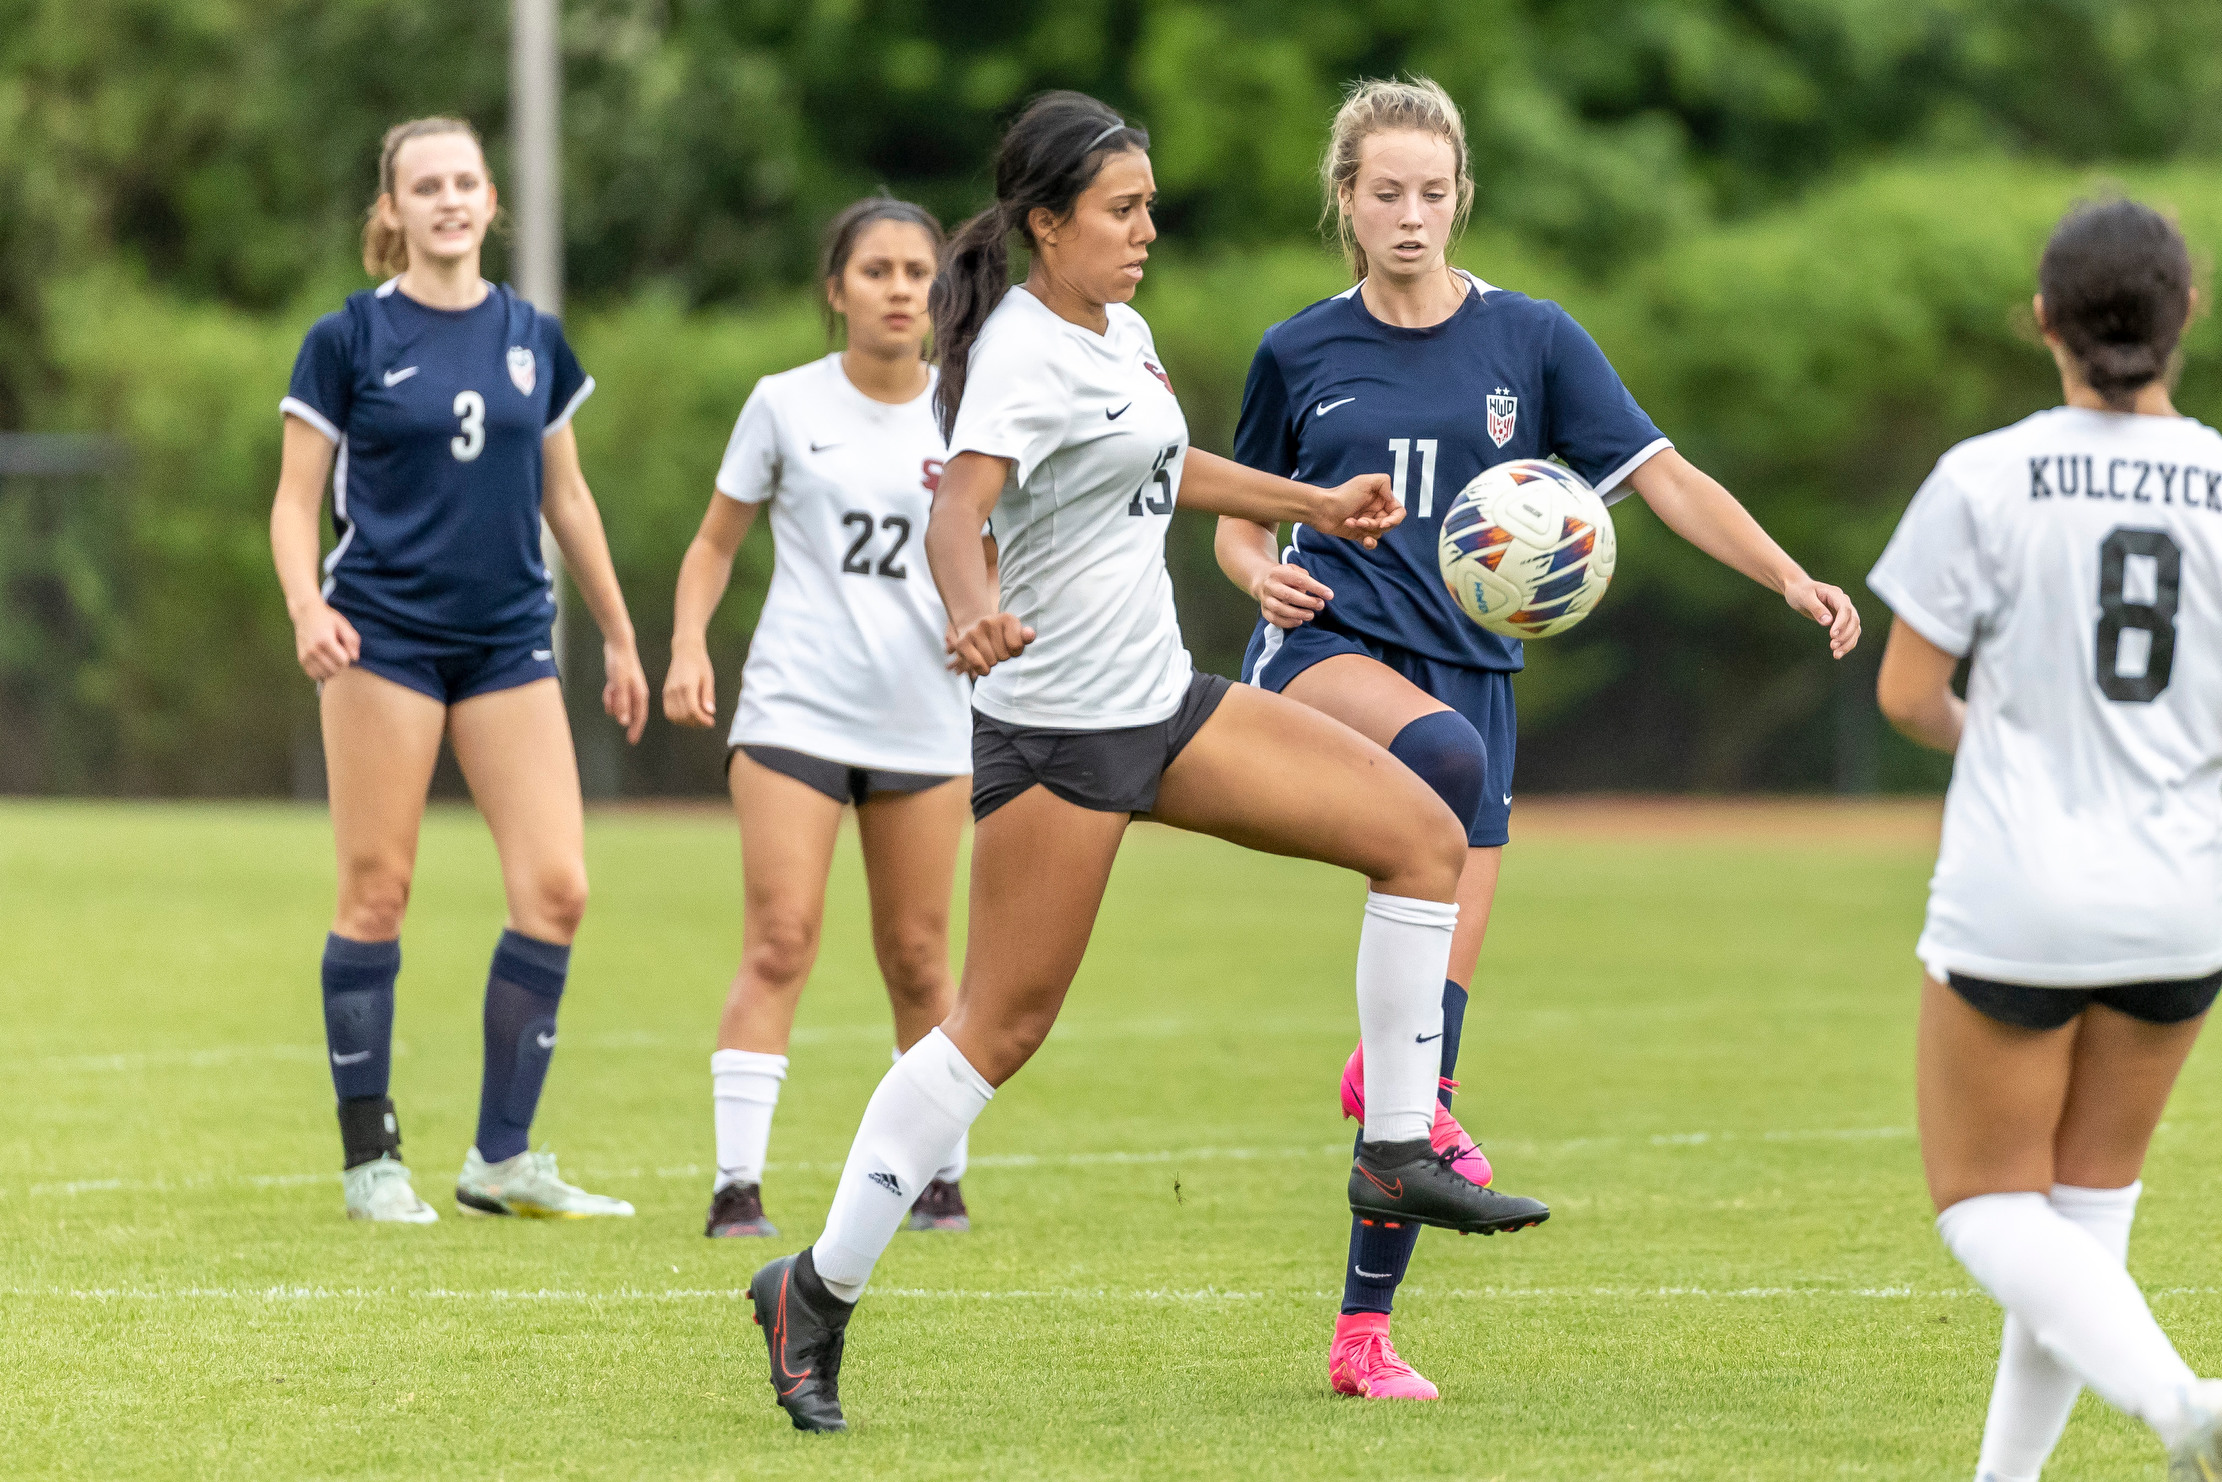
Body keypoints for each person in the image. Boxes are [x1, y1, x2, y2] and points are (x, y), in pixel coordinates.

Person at [742, 89, 1549, 1434]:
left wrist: (1314, 505)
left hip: (1163, 703)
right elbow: (957, 512)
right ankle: (812, 1291)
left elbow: (1163, 472)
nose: (1147, 230)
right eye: (1121, 210)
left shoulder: (1116, 330)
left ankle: (1398, 1146)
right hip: (1061, 731)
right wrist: (965, 609)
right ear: (1046, 223)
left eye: (1148, 205)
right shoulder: (1009, 354)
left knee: (1421, 831)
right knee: (997, 1027)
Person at [1214, 76, 1862, 1400]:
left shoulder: (1532, 340)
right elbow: (1231, 509)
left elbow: (1662, 476)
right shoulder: (1297, 350)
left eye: (1432, 192)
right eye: (1383, 191)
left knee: (1424, 1073)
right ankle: (1373, 1070)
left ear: (1462, 196)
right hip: (1328, 658)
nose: (1409, 215)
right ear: (1344, 197)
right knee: (1437, 771)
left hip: (1471, 685)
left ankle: (1360, 1338)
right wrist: (1253, 573)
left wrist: (1786, 575)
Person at [1870, 197, 2222, 1480]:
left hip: (2020, 889)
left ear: (2043, 321)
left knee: (1981, 1207)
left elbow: (1908, 696)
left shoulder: (1985, 473)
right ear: (2182, 313)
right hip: (2184, 894)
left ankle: (2183, 1402)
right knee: (2082, 1219)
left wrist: (2022, 748)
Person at [270, 116, 648, 1223]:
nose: (446, 199)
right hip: (378, 635)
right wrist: (307, 608)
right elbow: (296, 501)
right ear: (391, 211)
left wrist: (620, 633)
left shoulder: (533, 335)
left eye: (464, 182)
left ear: (491, 202)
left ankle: (500, 1159)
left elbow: (563, 497)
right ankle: (369, 1162)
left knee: (557, 888)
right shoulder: (345, 338)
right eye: (423, 185)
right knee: (377, 890)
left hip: (507, 641)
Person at [663, 196, 979, 1241]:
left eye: (916, 272)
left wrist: (994, 625)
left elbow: (1007, 552)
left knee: (918, 957)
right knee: (781, 937)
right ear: (835, 289)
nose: (898, 289)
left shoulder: (972, 413)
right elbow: (713, 544)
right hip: (795, 706)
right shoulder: (782, 404)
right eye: (875, 270)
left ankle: (938, 1181)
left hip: (926, 718)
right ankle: (735, 1188)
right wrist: (685, 646)